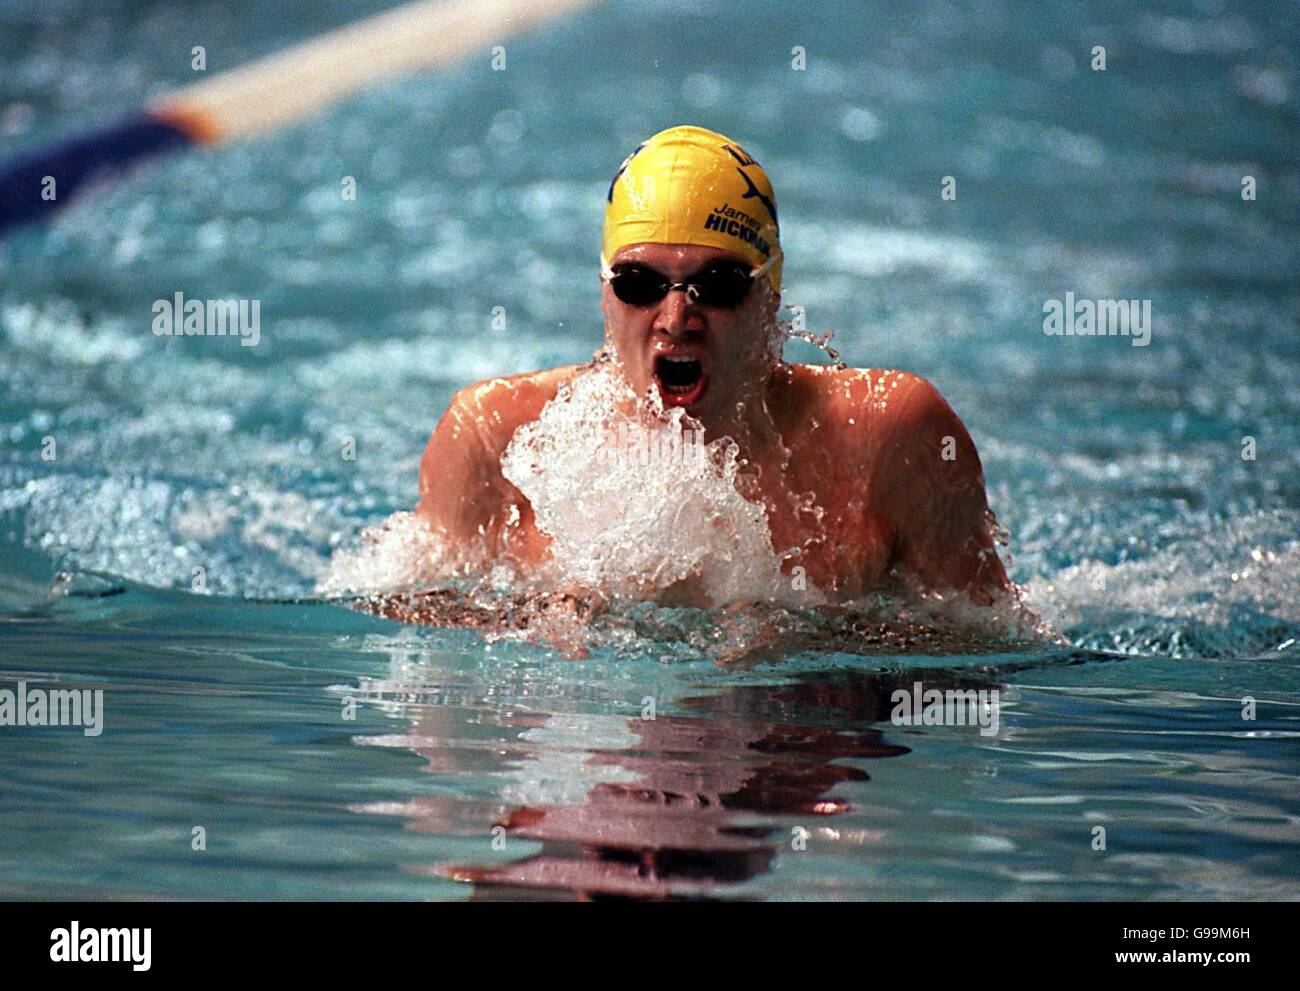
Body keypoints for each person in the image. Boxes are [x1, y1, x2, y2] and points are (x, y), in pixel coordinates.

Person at [415, 125, 1007, 606]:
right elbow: (403, 625)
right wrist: (531, 623)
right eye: (639, 283)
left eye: (718, 285)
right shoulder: (493, 440)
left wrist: (805, 644)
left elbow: (988, 658)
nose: (675, 317)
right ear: (603, 293)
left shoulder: (890, 438)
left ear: (770, 298)